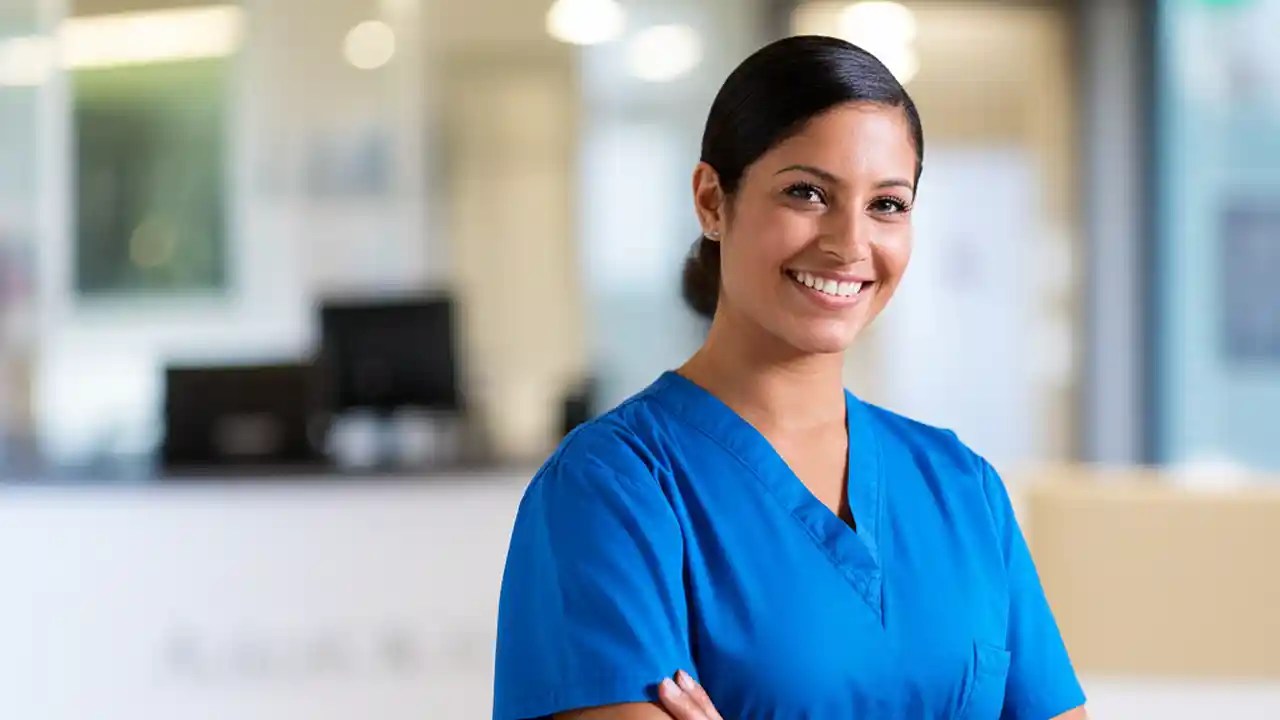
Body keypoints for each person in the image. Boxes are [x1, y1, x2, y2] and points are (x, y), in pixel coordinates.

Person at [492, 35, 1087, 720]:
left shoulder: (960, 486)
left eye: (887, 205)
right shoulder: (614, 490)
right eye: (806, 193)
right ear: (713, 201)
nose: (849, 243)